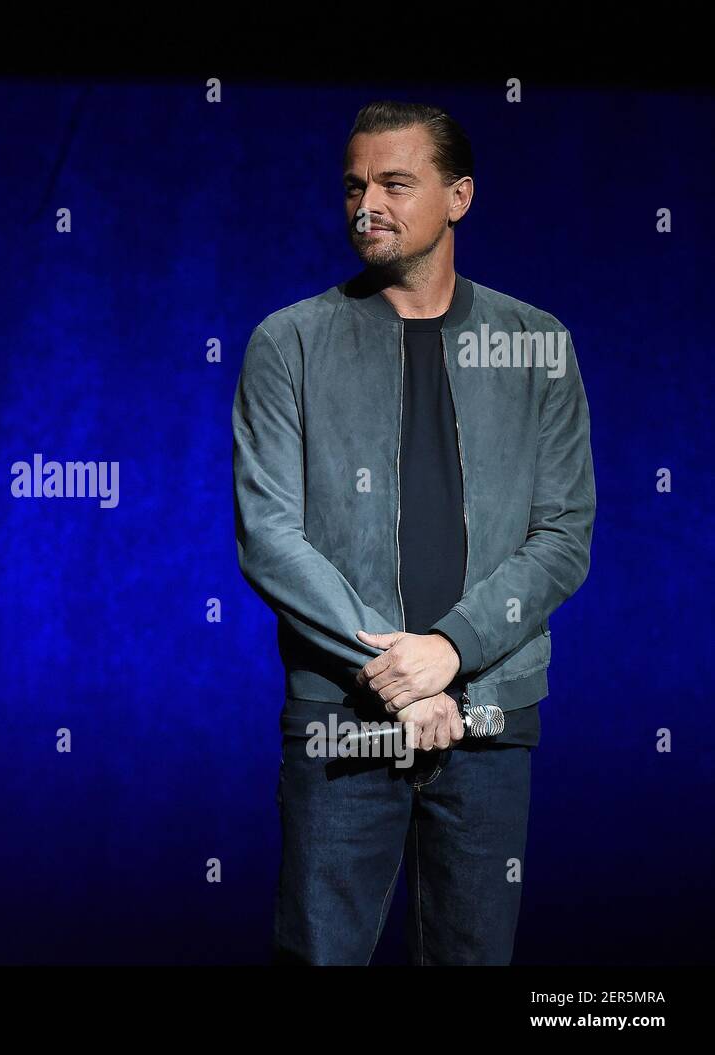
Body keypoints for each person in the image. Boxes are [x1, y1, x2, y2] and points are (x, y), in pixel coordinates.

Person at [232, 101, 595, 965]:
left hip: (489, 716)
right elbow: (269, 535)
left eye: (396, 183)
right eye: (355, 186)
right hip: (344, 721)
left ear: (458, 196)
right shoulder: (289, 342)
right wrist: (402, 678)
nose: (368, 206)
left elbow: (564, 532)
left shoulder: (537, 344)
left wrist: (451, 651)